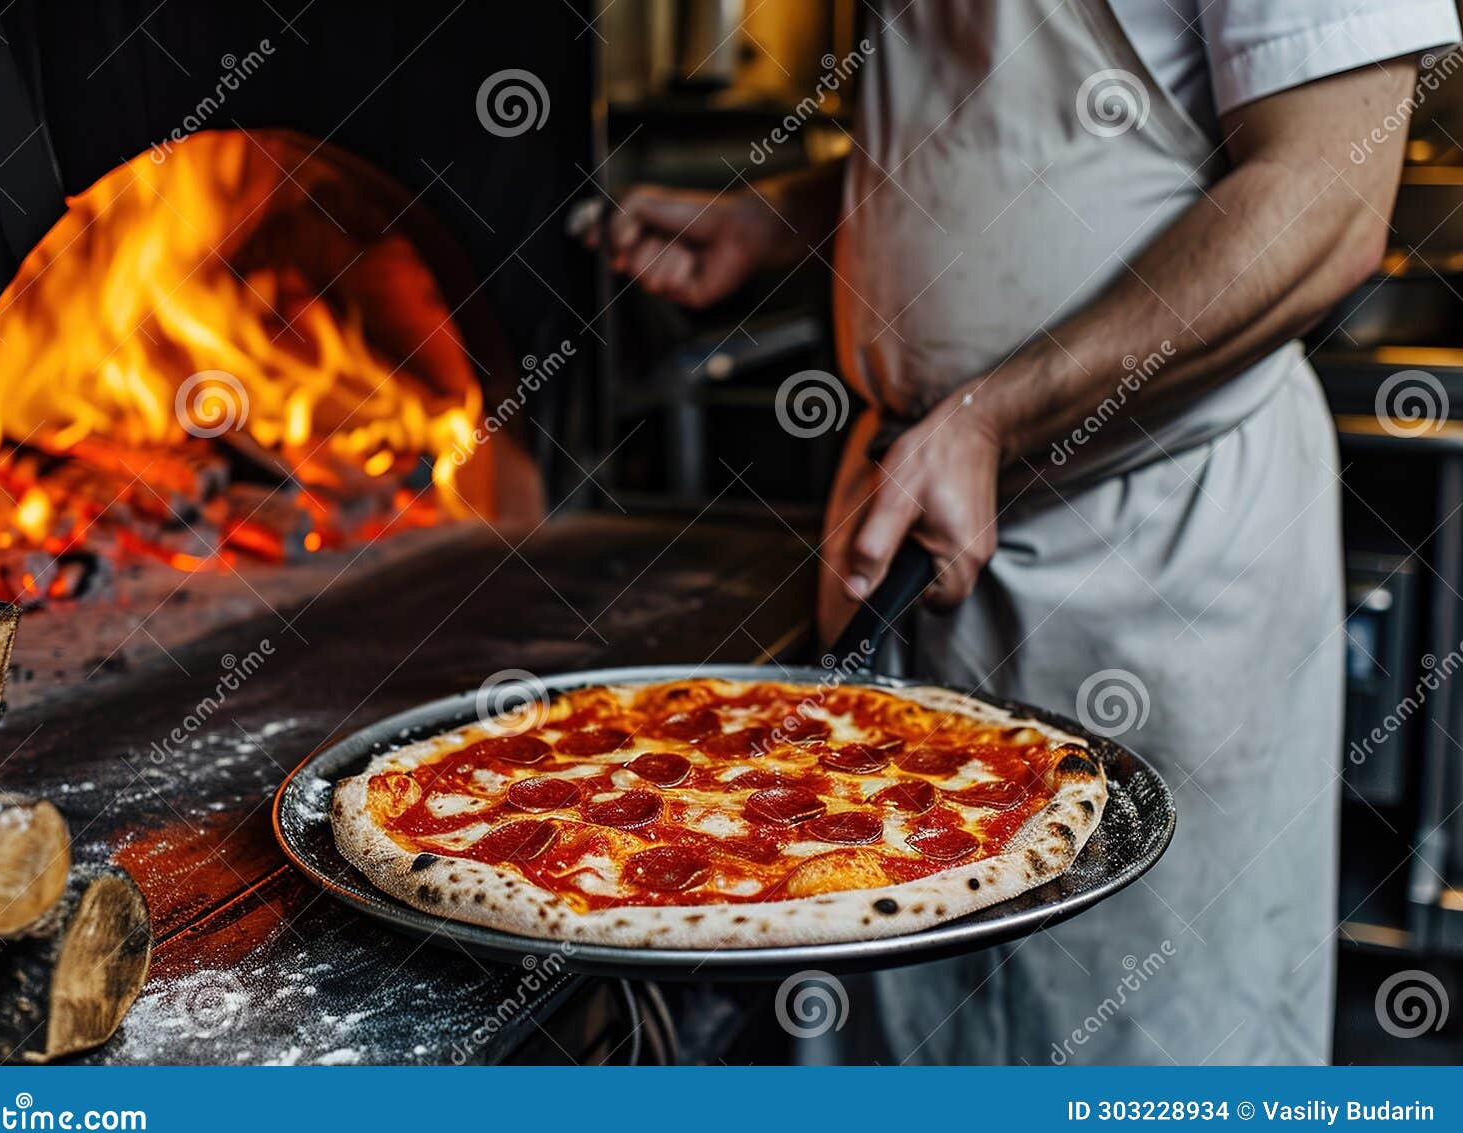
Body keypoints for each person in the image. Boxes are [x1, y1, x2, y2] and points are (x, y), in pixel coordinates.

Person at [591, 0, 1463, 1064]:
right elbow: (1008, 147)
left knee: (1139, 1039)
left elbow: (1326, 196)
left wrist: (993, 415)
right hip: (917, 509)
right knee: (910, 1029)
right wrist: (778, 218)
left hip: (1146, 546)